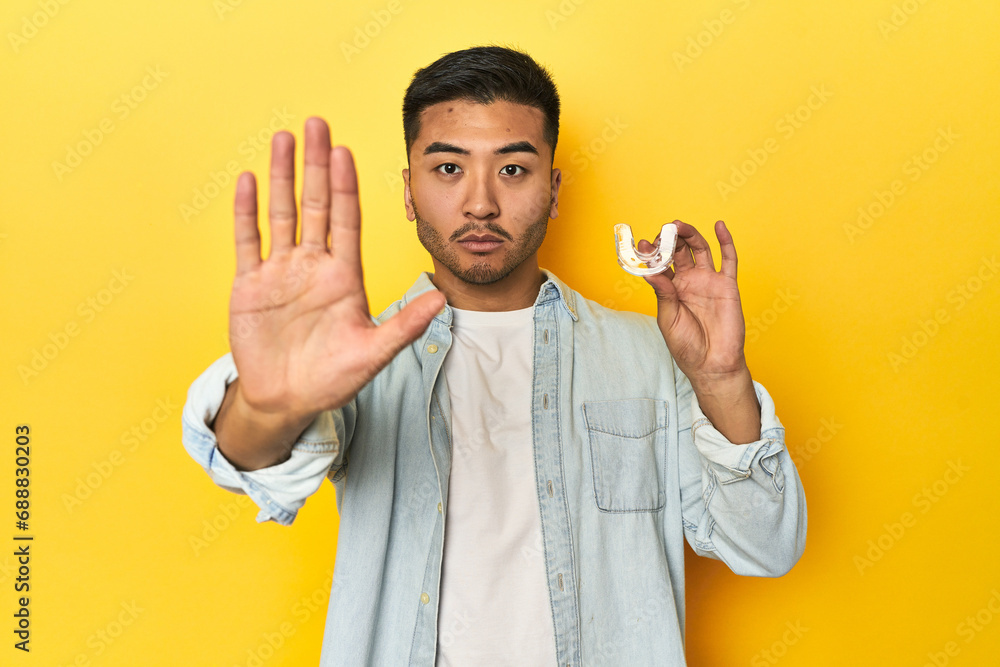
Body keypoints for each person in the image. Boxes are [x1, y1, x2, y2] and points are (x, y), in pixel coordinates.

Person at [182, 45, 807, 666]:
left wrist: (723, 380)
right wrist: (268, 405)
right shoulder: (354, 360)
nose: (480, 202)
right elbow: (255, 464)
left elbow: (764, 547)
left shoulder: (650, 354)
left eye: (512, 169)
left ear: (554, 189)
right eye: (449, 168)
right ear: (408, 192)